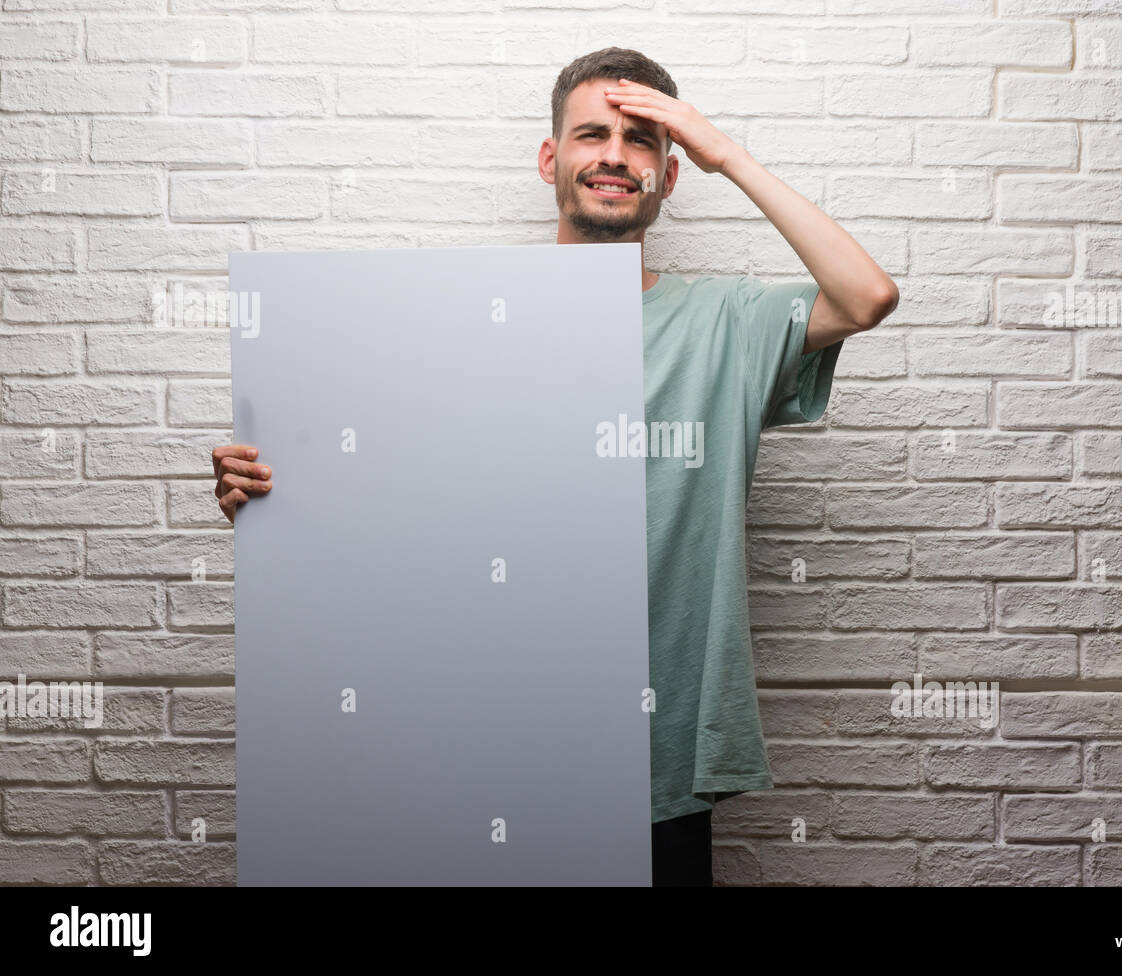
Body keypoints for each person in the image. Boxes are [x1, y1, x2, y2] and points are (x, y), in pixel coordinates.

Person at [214, 47, 898, 887]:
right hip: (476, 751)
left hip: (654, 760)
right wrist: (277, 504)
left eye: (641, 140)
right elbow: (402, 512)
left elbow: (867, 295)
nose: (615, 154)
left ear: (669, 175)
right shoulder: (460, 325)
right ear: (551, 159)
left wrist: (723, 152)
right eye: (591, 135)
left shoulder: (727, 320)